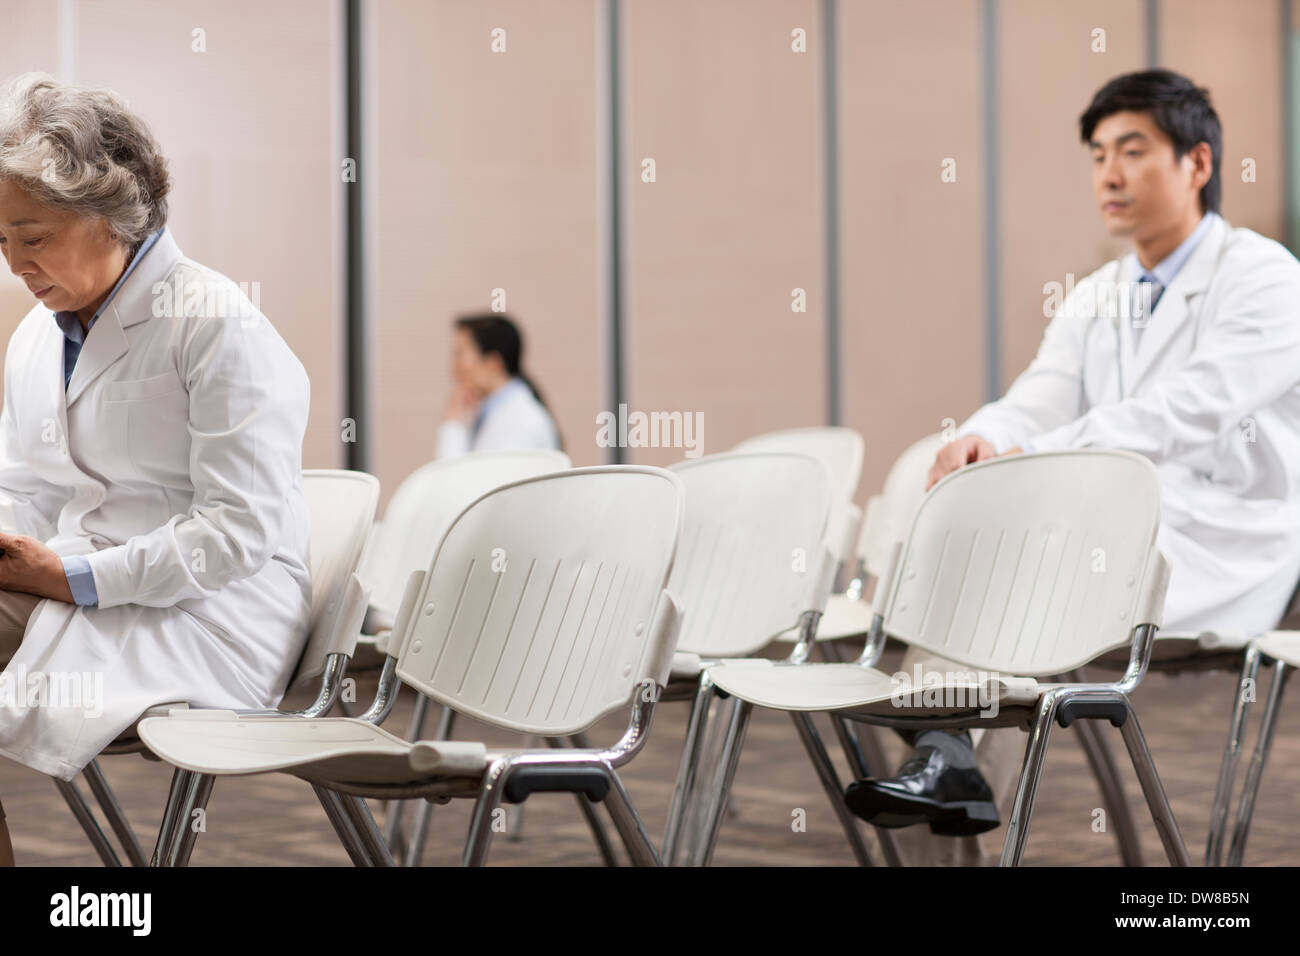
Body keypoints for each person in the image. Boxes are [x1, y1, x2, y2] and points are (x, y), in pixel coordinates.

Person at [844, 69, 1300, 846]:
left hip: (1222, 534)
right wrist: (985, 435)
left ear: (1198, 163)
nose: (1110, 174)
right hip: (1111, 523)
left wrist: (1033, 453)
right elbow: (1038, 397)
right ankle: (945, 747)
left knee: (1032, 531)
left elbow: (1184, 412)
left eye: (1132, 150)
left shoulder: (1267, 278)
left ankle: (942, 740)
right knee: (982, 513)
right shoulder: (1098, 293)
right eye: (1096, 156)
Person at [0, 73, 313, 865]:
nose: (14, 266)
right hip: (82, 585)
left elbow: (237, 533)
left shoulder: (215, 324)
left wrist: (75, 579)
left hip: (209, 615)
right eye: (1, 242)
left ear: (110, 212)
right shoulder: (38, 338)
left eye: (32, 239)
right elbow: (28, 487)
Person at [436, 313, 560, 459]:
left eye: (459, 354)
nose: (453, 366)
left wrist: (453, 424)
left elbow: (453, 479)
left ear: (492, 363)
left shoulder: (521, 422)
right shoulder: (487, 414)